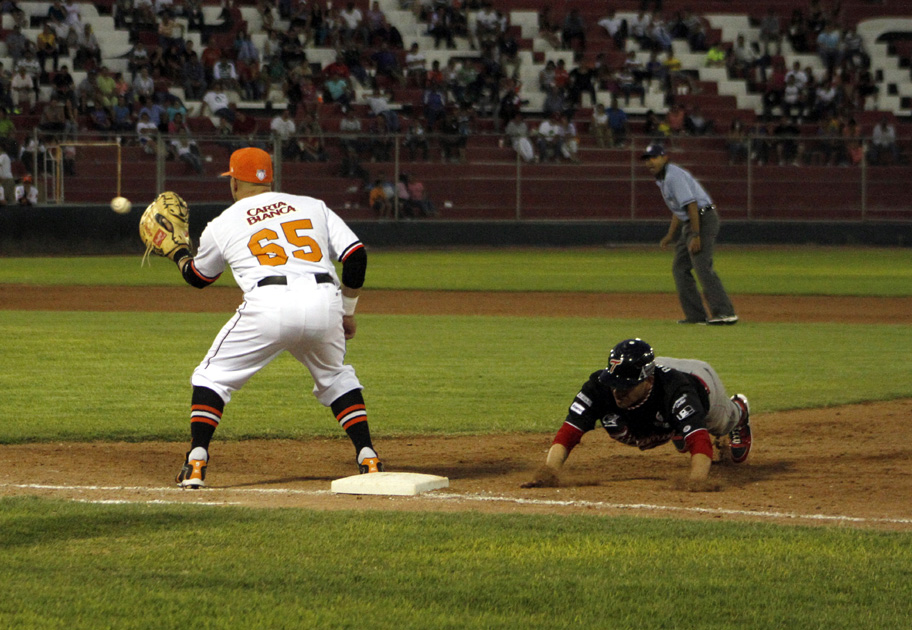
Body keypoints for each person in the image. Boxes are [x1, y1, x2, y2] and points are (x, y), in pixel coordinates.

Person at [171, 147, 383, 488]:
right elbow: (355, 255)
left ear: (235, 182)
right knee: (336, 377)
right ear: (269, 179)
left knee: (212, 377)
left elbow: (199, 278)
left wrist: (179, 252)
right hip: (323, 301)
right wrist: (347, 312)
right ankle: (368, 457)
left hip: (268, 305)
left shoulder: (222, 224)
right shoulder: (313, 206)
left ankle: (196, 461)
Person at [520, 338, 752, 492]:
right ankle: (678, 427)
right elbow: (569, 432)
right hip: (657, 381)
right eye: (614, 383)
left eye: (626, 386)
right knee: (677, 422)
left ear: (648, 381)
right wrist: (548, 473)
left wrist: (697, 482)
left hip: (698, 379)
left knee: (720, 424)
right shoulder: (599, 387)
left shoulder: (677, 390)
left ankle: (739, 411)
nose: (617, 391)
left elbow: (700, 440)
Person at [642, 143, 738, 325]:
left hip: (703, 219)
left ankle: (726, 313)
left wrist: (696, 234)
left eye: (654, 157)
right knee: (680, 268)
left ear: (665, 158)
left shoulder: (672, 176)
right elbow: (680, 210)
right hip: (692, 221)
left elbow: (692, 205)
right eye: (647, 159)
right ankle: (695, 316)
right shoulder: (663, 179)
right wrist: (671, 235)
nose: (649, 162)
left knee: (702, 266)